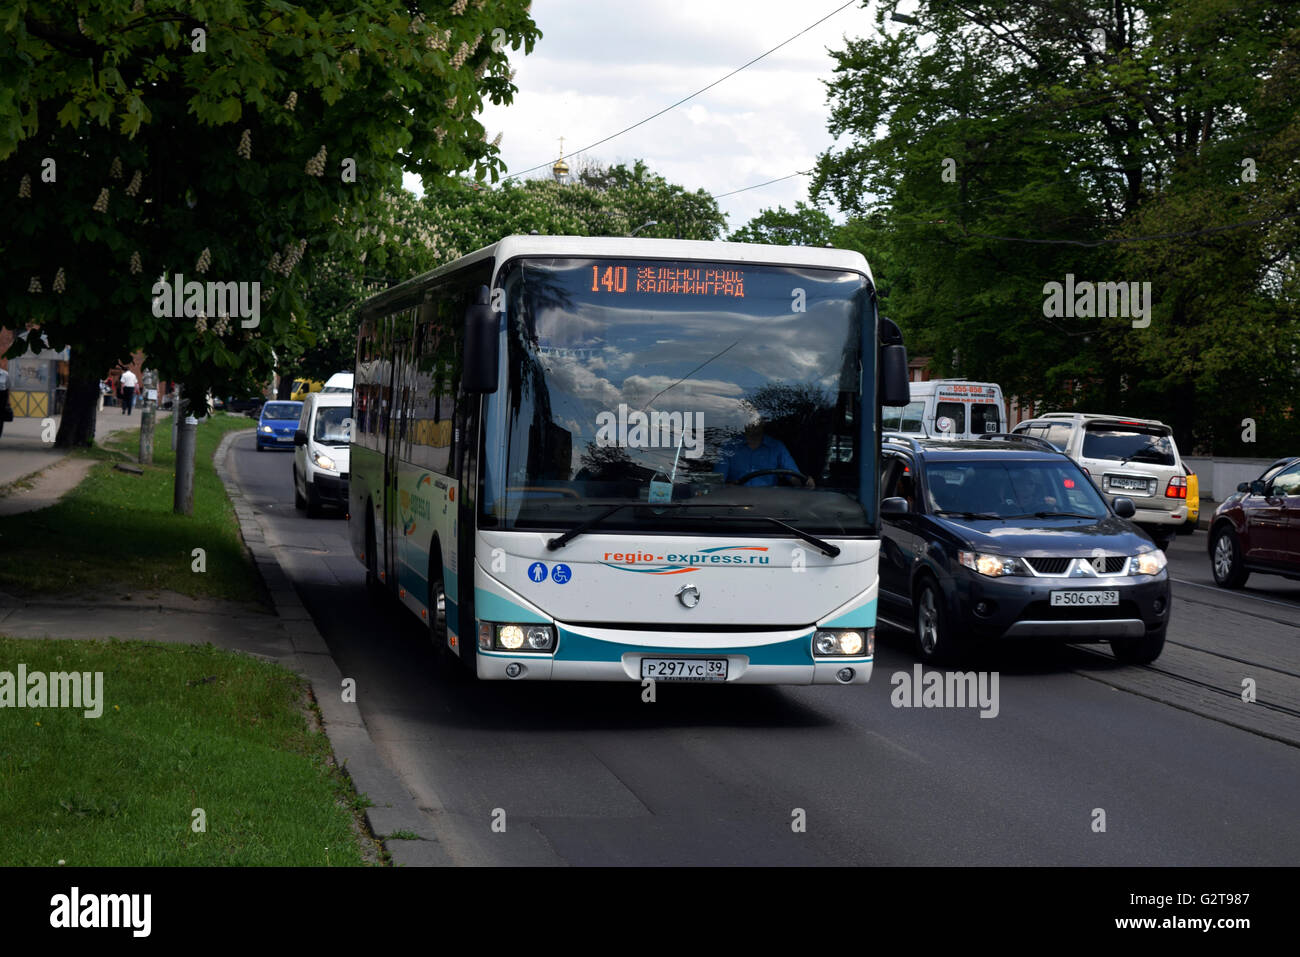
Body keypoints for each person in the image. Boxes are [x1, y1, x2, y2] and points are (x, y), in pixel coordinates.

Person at [720, 417, 814, 488]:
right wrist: (727, 486)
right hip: (734, 503)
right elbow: (717, 481)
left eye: (756, 419)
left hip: (768, 503)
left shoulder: (777, 447)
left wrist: (806, 482)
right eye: (748, 418)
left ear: (763, 422)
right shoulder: (729, 446)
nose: (753, 423)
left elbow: (793, 476)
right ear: (743, 422)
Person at [0, 362, 10, 438]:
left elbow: (8, 388)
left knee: (0, 419)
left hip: (2, 397)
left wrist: (8, 401)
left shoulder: (5, 374)